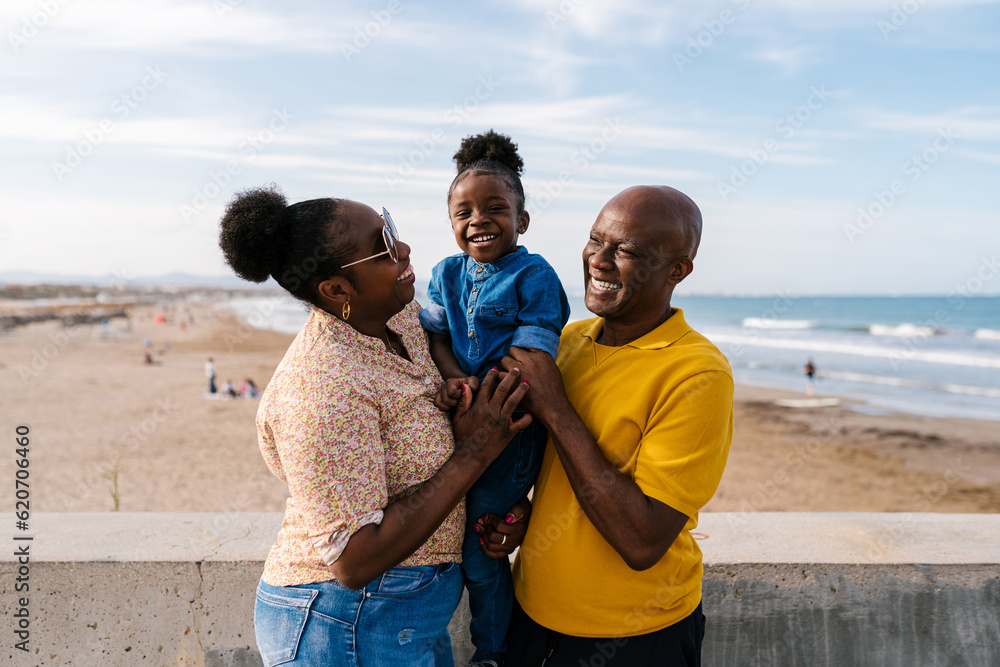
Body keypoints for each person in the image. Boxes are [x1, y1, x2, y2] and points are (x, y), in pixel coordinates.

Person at [218, 185, 531, 667]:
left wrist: (503, 509)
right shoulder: (322, 387)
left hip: (404, 615)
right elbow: (354, 560)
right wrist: (474, 456)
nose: (403, 249)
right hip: (341, 625)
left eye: (391, 229)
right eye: (383, 247)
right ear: (337, 290)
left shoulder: (399, 320)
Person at [492, 185, 734, 666]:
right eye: (595, 240)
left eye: (625, 250)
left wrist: (556, 407)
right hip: (530, 616)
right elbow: (553, 462)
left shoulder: (698, 373)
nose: (598, 260)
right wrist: (520, 507)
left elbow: (642, 540)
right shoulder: (568, 340)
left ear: (677, 270)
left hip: (637, 636)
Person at [419, 130, 570, 667]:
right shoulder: (445, 273)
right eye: (464, 212)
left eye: (495, 208)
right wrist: (457, 378)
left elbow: (530, 357)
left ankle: (493, 652)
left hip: (512, 431)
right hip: (464, 420)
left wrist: (481, 397)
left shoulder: (536, 275)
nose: (478, 219)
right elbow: (434, 334)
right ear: (452, 224)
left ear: (521, 221)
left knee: (481, 550)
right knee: (441, 531)